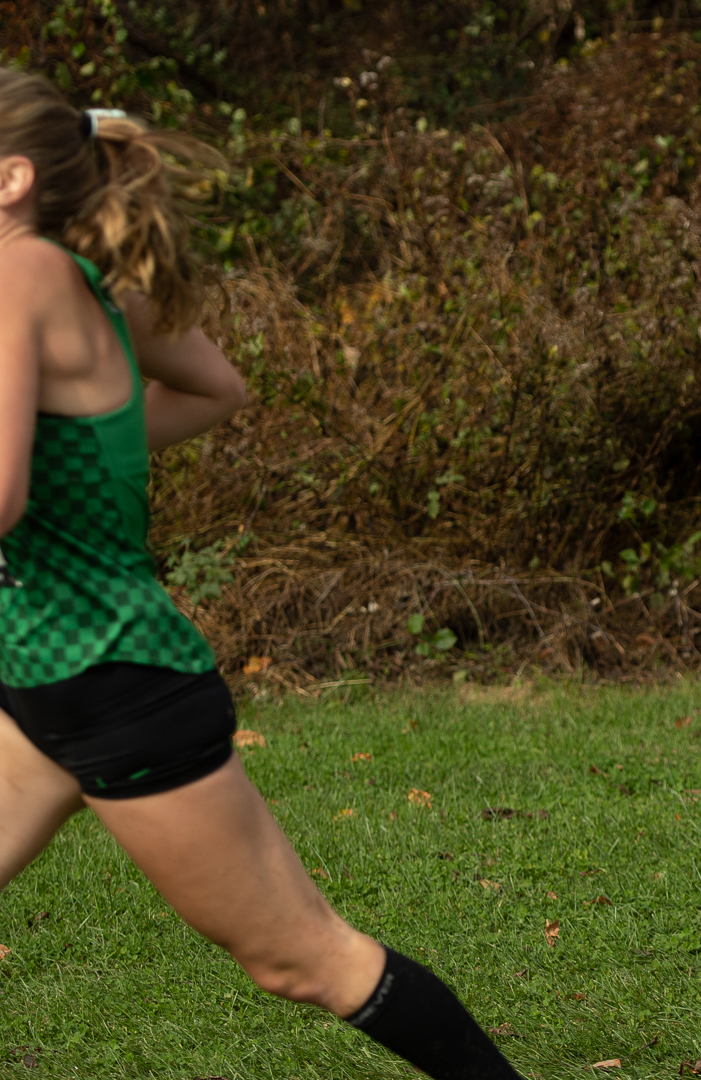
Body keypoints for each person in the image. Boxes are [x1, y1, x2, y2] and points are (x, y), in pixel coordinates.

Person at [0, 72, 525, 1079]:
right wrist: (91, 454)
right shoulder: (84, 278)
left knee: (308, 960)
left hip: (113, 685)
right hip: (43, 678)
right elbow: (213, 388)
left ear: (13, 178)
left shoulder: (20, 275)